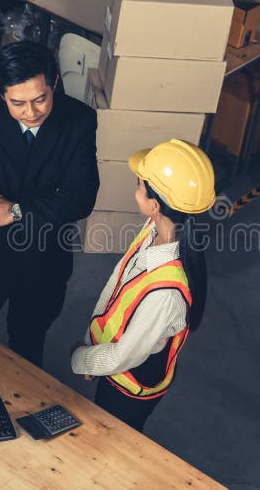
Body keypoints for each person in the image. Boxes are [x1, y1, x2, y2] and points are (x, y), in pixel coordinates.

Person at [0, 41, 99, 368]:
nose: (31, 112)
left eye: (40, 98)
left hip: (44, 258)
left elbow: (81, 198)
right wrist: (48, 203)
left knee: (28, 345)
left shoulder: (80, 121)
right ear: (1, 94)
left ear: (55, 82)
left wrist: (14, 210)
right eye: (17, 103)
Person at [70, 139, 215, 432]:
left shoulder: (166, 293)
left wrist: (81, 359)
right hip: (110, 366)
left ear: (154, 204)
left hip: (128, 391)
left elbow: (127, 356)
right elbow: (117, 284)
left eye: (140, 185)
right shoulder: (155, 229)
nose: (135, 190)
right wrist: (91, 345)